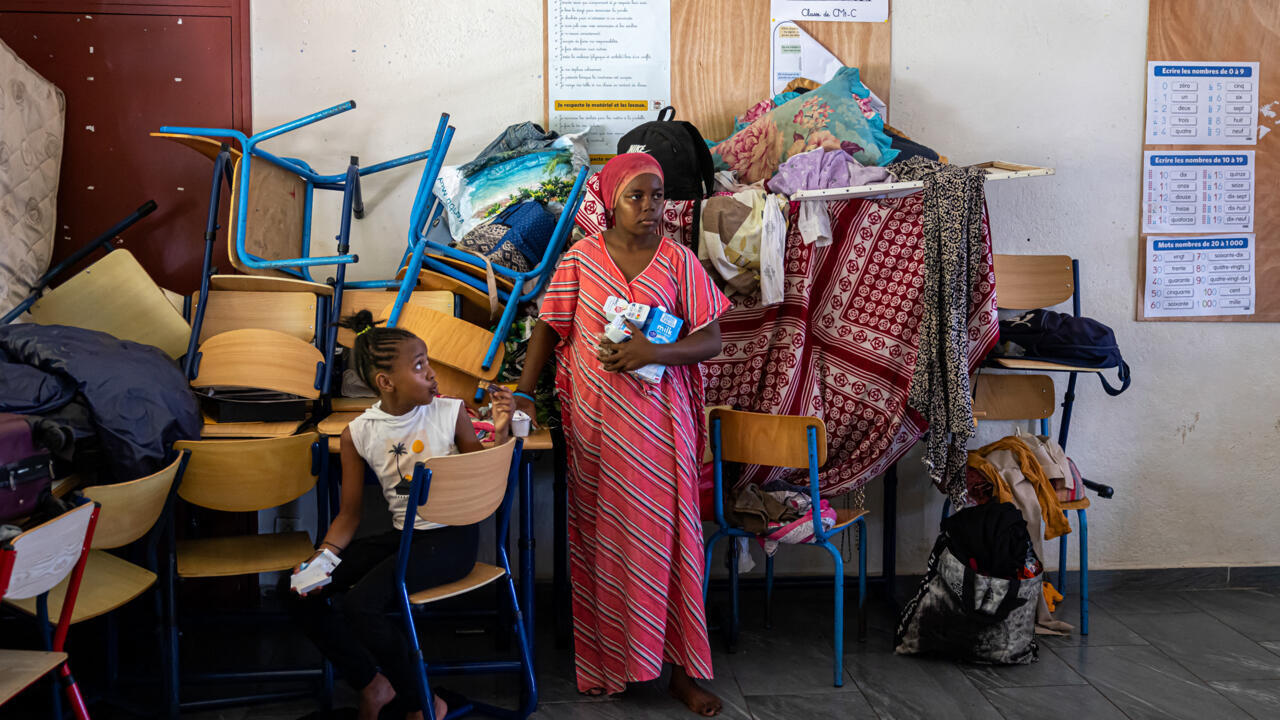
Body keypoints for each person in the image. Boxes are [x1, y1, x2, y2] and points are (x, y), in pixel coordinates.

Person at [514, 153, 731, 716]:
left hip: (662, 432)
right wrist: (522, 393)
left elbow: (711, 340)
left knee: (674, 545)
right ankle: (612, 666)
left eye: (657, 195)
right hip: (597, 432)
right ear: (612, 200)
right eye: (636, 196)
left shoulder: (679, 262)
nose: (649, 206)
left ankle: (683, 673)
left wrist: (652, 352)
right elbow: (549, 328)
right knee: (604, 543)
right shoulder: (580, 260)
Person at [288, 310, 514, 720]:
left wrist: (501, 431)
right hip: (406, 538)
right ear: (386, 382)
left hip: (452, 540)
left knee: (361, 606)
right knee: (300, 592)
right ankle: (373, 683)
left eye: (428, 362)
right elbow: (349, 516)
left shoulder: (451, 413)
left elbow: (482, 477)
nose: (431, 373)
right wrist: (320, 560)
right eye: (419, 366)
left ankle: (423, 702)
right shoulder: (358, 433)